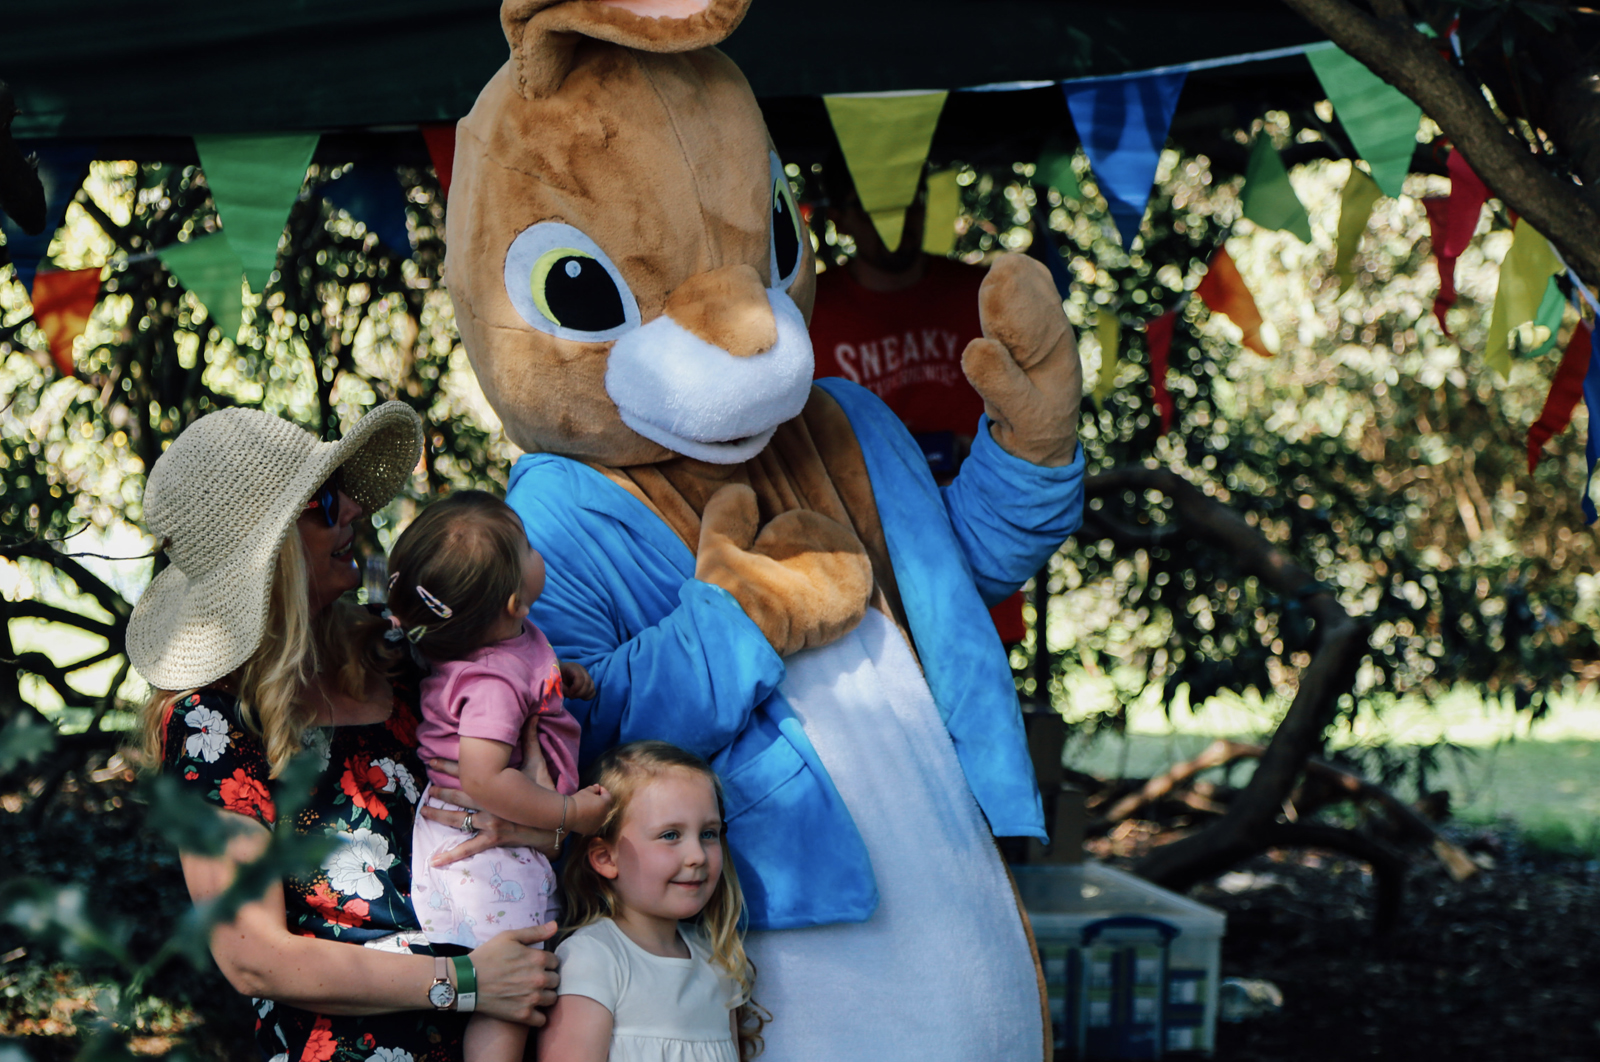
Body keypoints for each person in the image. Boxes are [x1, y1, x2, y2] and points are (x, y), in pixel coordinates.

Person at [128, 403, 561, 1062]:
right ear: (266, 554)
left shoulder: (399, 651)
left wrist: (535, 826)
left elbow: (533, 769)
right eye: (325, 502)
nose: (356, 510)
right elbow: (254, 957)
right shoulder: (212, 720)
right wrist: (465, 985)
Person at [384, 489, 614, 1062]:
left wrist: (567, 680)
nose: (538, 550)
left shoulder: (501, 644)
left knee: (525, 975)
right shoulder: (493, 685)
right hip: (483, 854)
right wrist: (569, 814)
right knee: (511, 982)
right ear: (514, 600)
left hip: (492, 845)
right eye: (528, 546)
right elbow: (484, 778)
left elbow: (529, 676)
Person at [809, 153, 1027, 644]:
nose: (895, 221)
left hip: (975, 563)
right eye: (873, 208)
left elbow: (1032, 427)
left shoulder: (980, 296)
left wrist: (984, 450)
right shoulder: (811, 311)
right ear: (840, 216)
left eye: (907, 203)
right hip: (864, 581)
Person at [539, 741, 762, 1062]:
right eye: (670, 835)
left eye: (709, 834)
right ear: (605, 857)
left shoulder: (719, 962)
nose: (697, 855)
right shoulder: (594, 957)